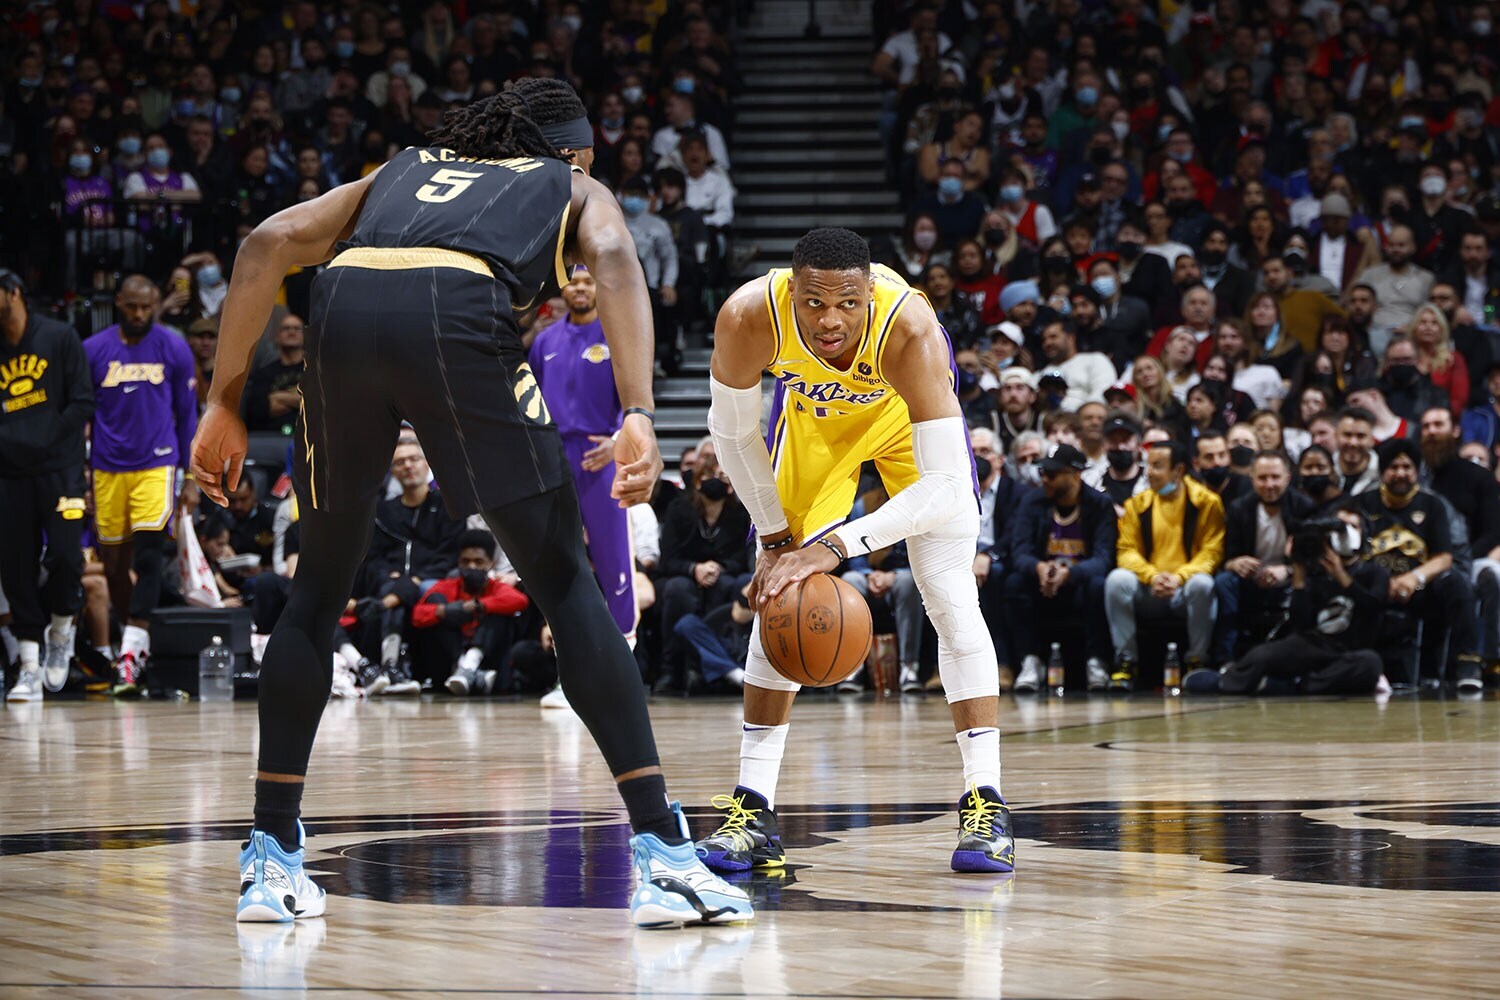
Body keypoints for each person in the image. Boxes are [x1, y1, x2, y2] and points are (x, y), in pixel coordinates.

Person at [187, 80, 751, 929]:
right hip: (456, 313)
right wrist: (638, 411)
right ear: (569, 152)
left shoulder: (402, 169)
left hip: (341, 310)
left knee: (315, 593)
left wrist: (225, 401)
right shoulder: (566, 182)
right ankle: (667, 855)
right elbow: (616, 259)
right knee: (566, 581)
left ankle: (270, 860)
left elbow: (268, 240)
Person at [698, 227, 1014, 875]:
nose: (830, 320)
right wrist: (776, 539)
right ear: (790, 294)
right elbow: (730, 437)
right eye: (813, 303)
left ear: (870, 293)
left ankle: (986, 802)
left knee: (950, 594)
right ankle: (752, 810)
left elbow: (949, 486)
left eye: (847, 303)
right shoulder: (747, 316)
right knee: (779, 590)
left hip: (906, 423)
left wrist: (838, 546)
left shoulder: (910, 330)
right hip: (817, 423)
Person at [528, 266, 639, 707]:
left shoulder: (617, 334)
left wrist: (616, 443)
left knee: (614, 563)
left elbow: (635, 401)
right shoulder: (543, 341)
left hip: (601, 458)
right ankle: (571, 674)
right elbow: (528, 399)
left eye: (588, 281)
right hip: (555, 459)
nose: (579, 287)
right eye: (573, 281)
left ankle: (623, 662)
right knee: (561, 567)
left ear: (599, 287)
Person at [85, 275, 198, 695]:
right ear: (118, 302)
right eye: (131, 306)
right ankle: (128, 641)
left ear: (156, 304)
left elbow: (187, 414)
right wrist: (81, 471)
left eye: (146, 307)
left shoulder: (173, 346)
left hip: (158, 463)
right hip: (106, 466)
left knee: (150, 555)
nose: (138, 314)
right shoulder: (93, 350)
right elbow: (82, 413)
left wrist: (189, 477)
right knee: (114, 564)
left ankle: (132, 649)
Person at [0, 270, 93, 701]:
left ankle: (60, 628)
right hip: (10, 475)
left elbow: (82, 403)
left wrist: (44, 438)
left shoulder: (58, 337)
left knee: (66, 557)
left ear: (13, 293)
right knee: (15, 568)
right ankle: (29, 664)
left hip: (60, 469)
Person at [1187, 500, 1387, 696]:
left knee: (1370, 664)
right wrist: (1298, 573)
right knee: (1262, 654)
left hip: (1350, 650)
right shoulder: (1317, 571)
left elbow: (1372, 607)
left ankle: (1295, 687)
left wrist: (1340, 574)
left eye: (1353, 526)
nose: (1345, 532)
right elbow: (1300, 624)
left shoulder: (1374, 573)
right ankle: (1225, 681)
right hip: (1313, 645)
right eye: (1340, 526)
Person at [1356, 437, 1483, 691]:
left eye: (1407, 467)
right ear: (1383, 472)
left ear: (1417, 471)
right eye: (1393, 467)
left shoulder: (1432, 504)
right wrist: (1382, 581)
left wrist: (1415, 578)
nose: (1400, 473)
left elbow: (1445, 557)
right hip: (1373, 587)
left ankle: (1468, 664)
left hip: (1418, 588)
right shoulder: (1363, 504)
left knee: (1457, 583)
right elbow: (1353, 554)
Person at [1105, 440, 1226, 689]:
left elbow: (1212, 552)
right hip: (1150, 589)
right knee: (1117, 580)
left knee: (1203, 583)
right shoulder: (1137, 505)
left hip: (1184, 590)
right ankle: (1126, 662)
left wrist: (1180, 577)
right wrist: (1152, 576)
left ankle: (1197, 662)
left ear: (1178, 470)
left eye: (1157, 466)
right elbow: (1126, 552)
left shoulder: (1206, 502)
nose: (1149, 472)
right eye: (1148, 465)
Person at [1005, 443, 1117, 693]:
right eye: (1043, 472)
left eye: (1052, 474)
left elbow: (1103, 558)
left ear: (1076, 475)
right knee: (1014, 582)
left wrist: (1070, 574)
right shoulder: (1031, 501)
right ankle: (1029, 661)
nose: (1044, 479)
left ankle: (1096, 661)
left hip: (1079, 584)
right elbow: (1020, 551)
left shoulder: (1099, 504)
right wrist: (1038, 568)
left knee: (1100, 585)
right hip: (1042, 583)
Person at [1419, 406, 1500, 684]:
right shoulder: (1413, 475)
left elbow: (1492, 531)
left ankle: (1489, 660)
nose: (1431, 432)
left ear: (1455, 431)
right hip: (1420, 561)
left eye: (1438, 425)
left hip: (1471, 558)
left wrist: (1459, 559)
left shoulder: (1478, 477)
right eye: (1426, 427)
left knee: (1492, 576)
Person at [1211, 451, 1311, 664]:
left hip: (1291, 578)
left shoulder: (1303, 506)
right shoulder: (1239, 508)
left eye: (1275, 477)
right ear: (1252, 479)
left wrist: (1288, 570)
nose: (1269, 484)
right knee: (1224, 582)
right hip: (1251, 578)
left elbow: (1313, 558)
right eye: (1263, 478)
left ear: (1287, 478)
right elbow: (1226, 558)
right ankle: (1224, 660)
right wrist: (1236, 563)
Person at [411, 529, 529, 696]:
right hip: (451, 658)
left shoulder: (495, 587)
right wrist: (445, 611)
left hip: (489, 657)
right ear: (458, 563)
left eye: (478, 561)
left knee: (498, 613)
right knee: (436, 605)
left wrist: (477, 605)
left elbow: (520, 601)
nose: (471, 566)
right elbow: (417, 615)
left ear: (491, 564)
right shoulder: (448, 586)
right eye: (466, 561)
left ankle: (470, 666)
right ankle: (466, 670)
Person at [1356, 225, 1434, 355]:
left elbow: (1429, 311)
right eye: (1391, 245)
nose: (1395, 249)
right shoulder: (1370, 275)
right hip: (1375, 332)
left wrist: (1413, 327)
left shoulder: (1426, 278)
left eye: (1401, 245)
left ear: (1412, 247)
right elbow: (1357, 305)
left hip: (1413, 335)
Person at [242, 314, 306, 435]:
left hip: (309, 436)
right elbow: (257, 412)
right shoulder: (264, 373)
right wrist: (299, 400)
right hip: (270, 437)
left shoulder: (316, 371)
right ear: (277, 337)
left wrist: (277, 397)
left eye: (297, 329)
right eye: (286, 328)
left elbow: (319, 406)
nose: (291, 332)